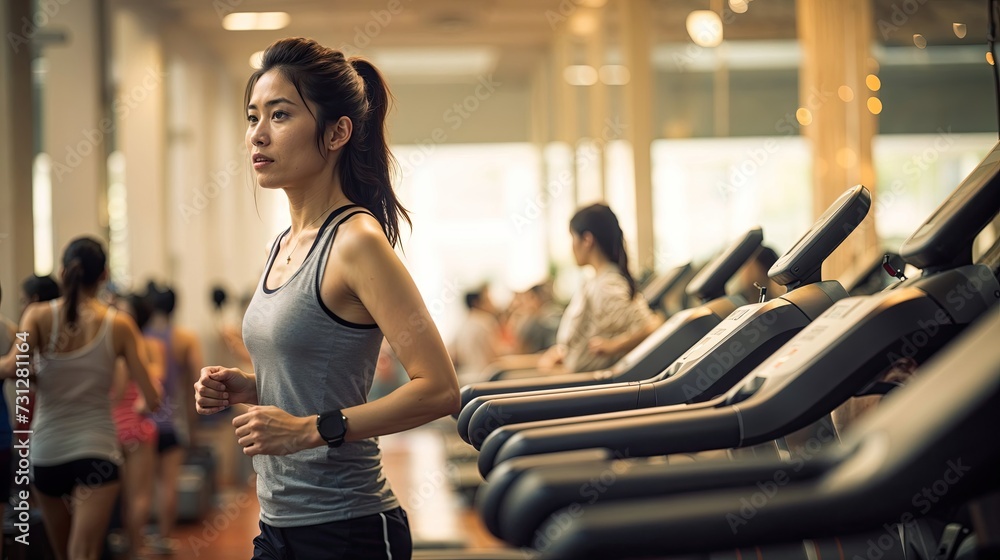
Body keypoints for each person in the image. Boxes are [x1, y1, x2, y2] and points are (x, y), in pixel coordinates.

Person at [193, 37, 460, 560]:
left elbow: (440, 390)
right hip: (278, 525)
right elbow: (313, 376)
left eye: (281, 115)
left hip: (349, 528)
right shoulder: (283, 245)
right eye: (253, 117)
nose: (258, 135)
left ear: (337, 132)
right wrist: (246, 386)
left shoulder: (358, 243)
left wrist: (308, 430)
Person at [0, 237, 161, 560]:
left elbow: (11, 368)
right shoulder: (120, 325)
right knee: (84, 552)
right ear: (104, 275)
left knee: (64, 554)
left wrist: (41, 376)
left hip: (46, 453)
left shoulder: (37, 316)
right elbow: (153, 398)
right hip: (97, 453)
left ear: (62, 271)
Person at [537, 203, 663, 373]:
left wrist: (614, 346)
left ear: (587, 240)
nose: (571, 246)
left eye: (573, 238)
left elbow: (652, 327)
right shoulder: (596, 281)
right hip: (575, 378)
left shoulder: (607, 286)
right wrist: (564, 352)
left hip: (587, 387)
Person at [142, 282, 203, 554]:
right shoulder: (185, 339)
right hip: (171, 422)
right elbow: (196, 384)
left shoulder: (138, 337)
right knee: (169, 484)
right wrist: (193, 426)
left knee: (142, 488)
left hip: (143, 422)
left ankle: (139, 542)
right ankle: (164, 538)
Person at [110, 293, 164, 560]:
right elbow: (152, 389)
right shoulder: (146, 346)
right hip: (136, 427)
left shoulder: (109, 343)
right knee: (139, 494)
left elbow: (114, 392)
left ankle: (121, 545)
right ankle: (135, 549)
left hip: (110, 428)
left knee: (115, 496)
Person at [451, 286, 507, 384]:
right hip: (485, 378)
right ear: (477, 303)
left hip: (464, 378)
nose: (492, 304)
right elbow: (494, 356)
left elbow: (454, 354)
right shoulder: (486, 321)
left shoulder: (463, 324)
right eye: (488, 300)